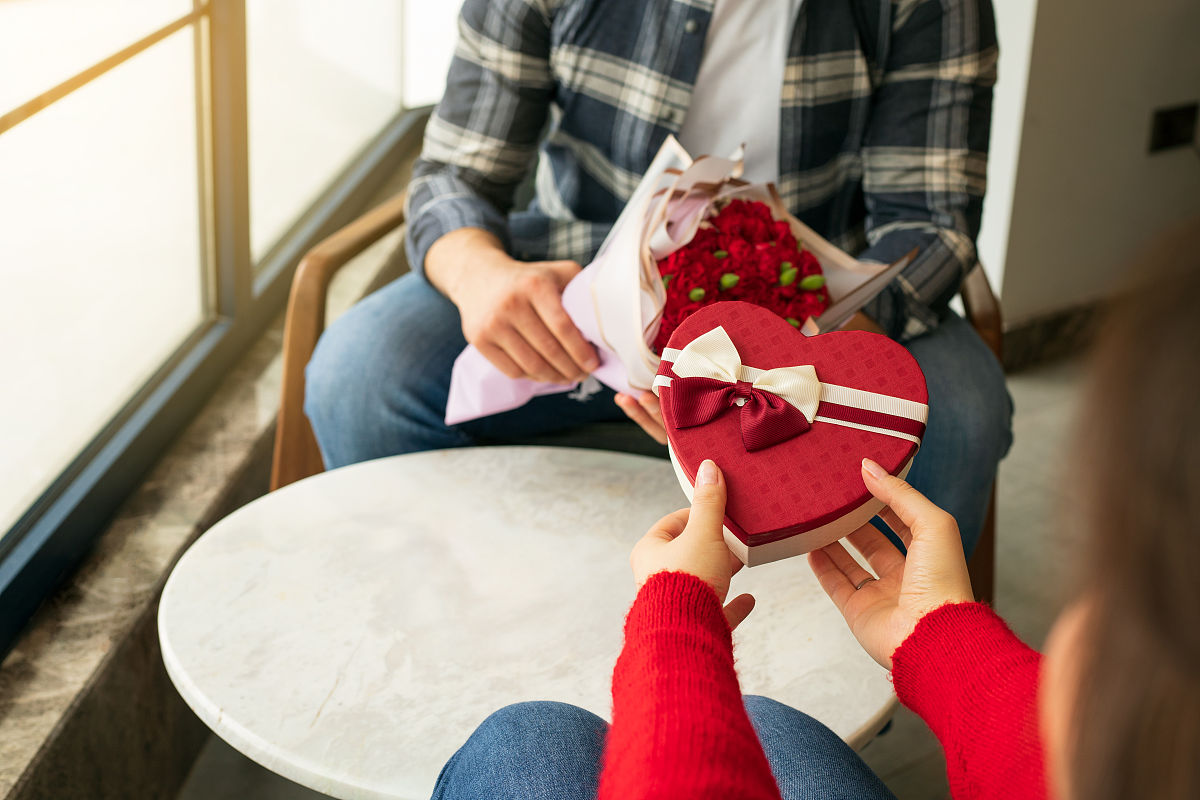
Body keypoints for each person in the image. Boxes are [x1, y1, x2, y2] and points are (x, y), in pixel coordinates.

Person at [429, 221, 1200, 799]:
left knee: (521, 741)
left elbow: (932, 218)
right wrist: (942, 639)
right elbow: (1049, 768)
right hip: (581, 262)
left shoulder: (1127, 723)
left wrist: (674, 617)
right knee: (762, 721)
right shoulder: (1146, 751)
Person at [304, 0, 1010, 555]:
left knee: (961, 417)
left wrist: (815, 351)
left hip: (814, 307)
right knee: (360, 377)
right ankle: (456, 626)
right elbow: (457, 171)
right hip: (576, 280)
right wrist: (477, 272)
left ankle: (858, 669)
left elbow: (930, 221)